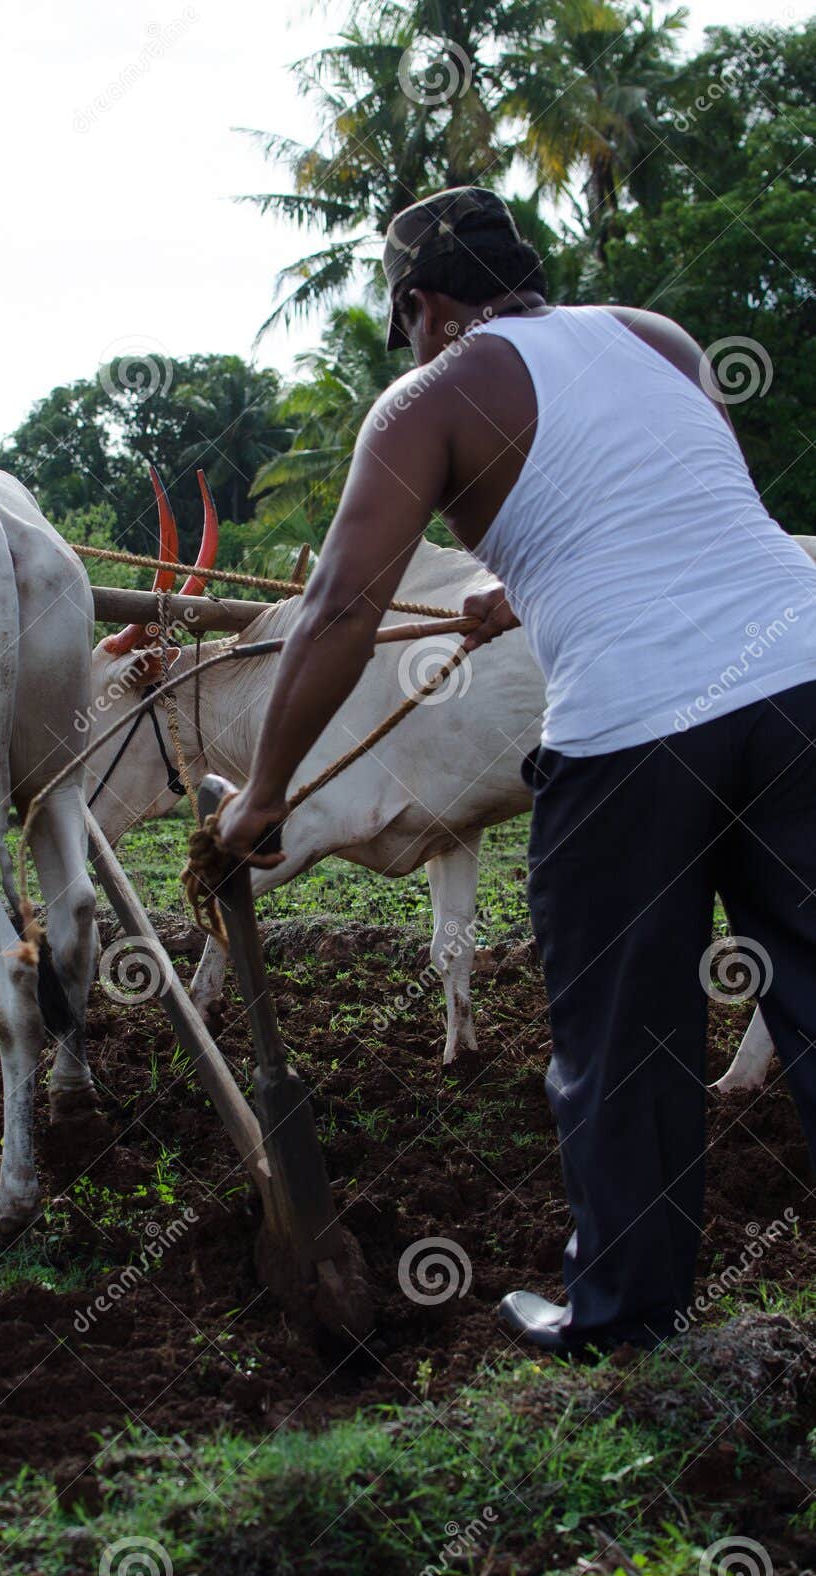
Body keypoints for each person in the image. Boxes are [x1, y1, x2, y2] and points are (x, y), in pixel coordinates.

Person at [215, 185, 816, 1355]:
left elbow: (341, 605)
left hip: (639, 732)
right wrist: (517, 588)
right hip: (797, 680)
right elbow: (686, 512)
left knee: (625, 1031)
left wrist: (266, 792)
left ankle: (625, 1316)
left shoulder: (425, 401)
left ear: (424, 306)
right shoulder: (654, 335)